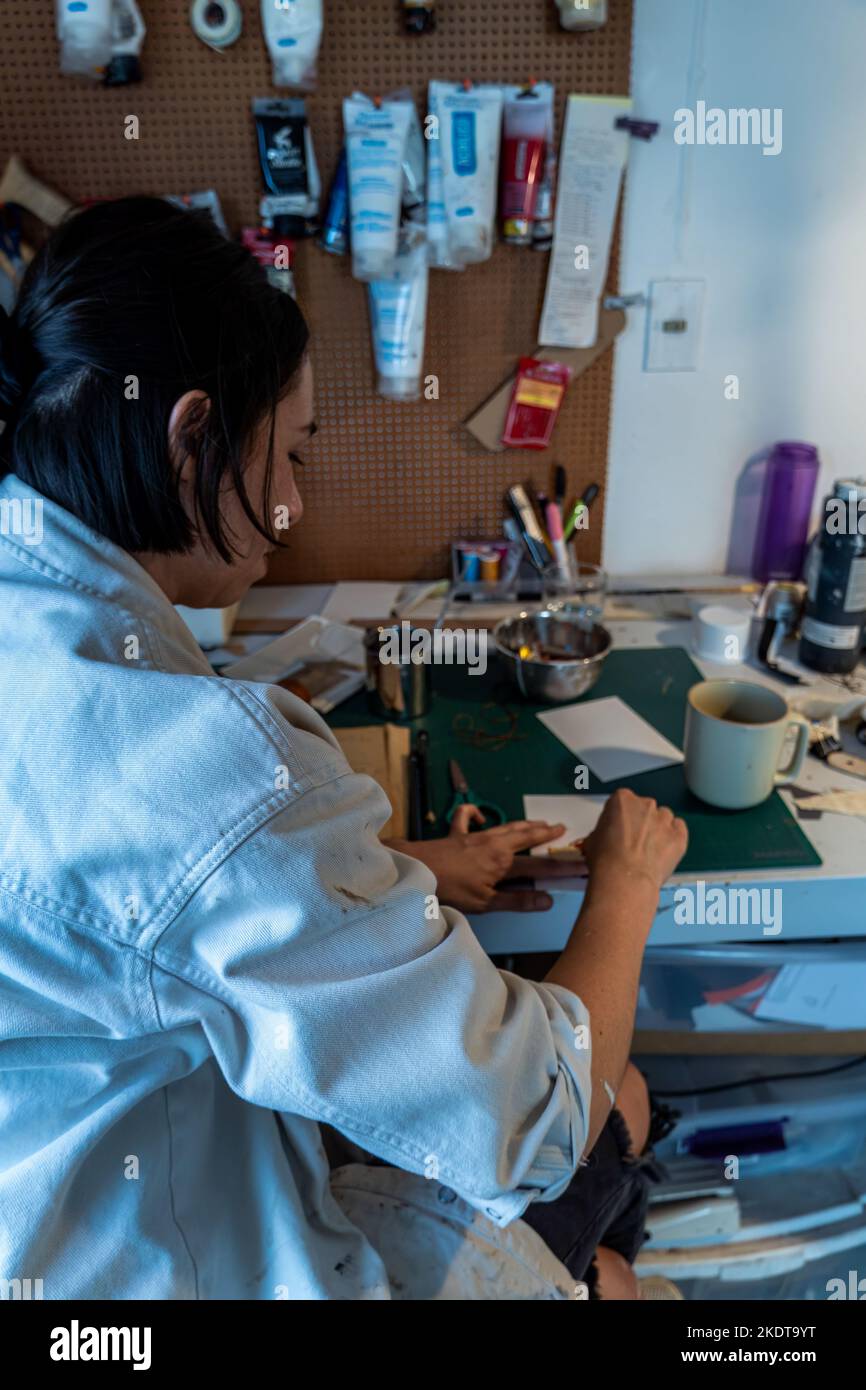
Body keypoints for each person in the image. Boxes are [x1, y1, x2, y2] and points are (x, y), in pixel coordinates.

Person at [0, 197, 687, 1301]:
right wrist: (625, 886)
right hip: (165, 1272)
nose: (291, 501)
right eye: (293, 453)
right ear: (192, 442)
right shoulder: (206, 765)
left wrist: (394, 871)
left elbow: (153, 917)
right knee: (626, 1198)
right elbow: (532, 1117)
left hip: (48, 1223)